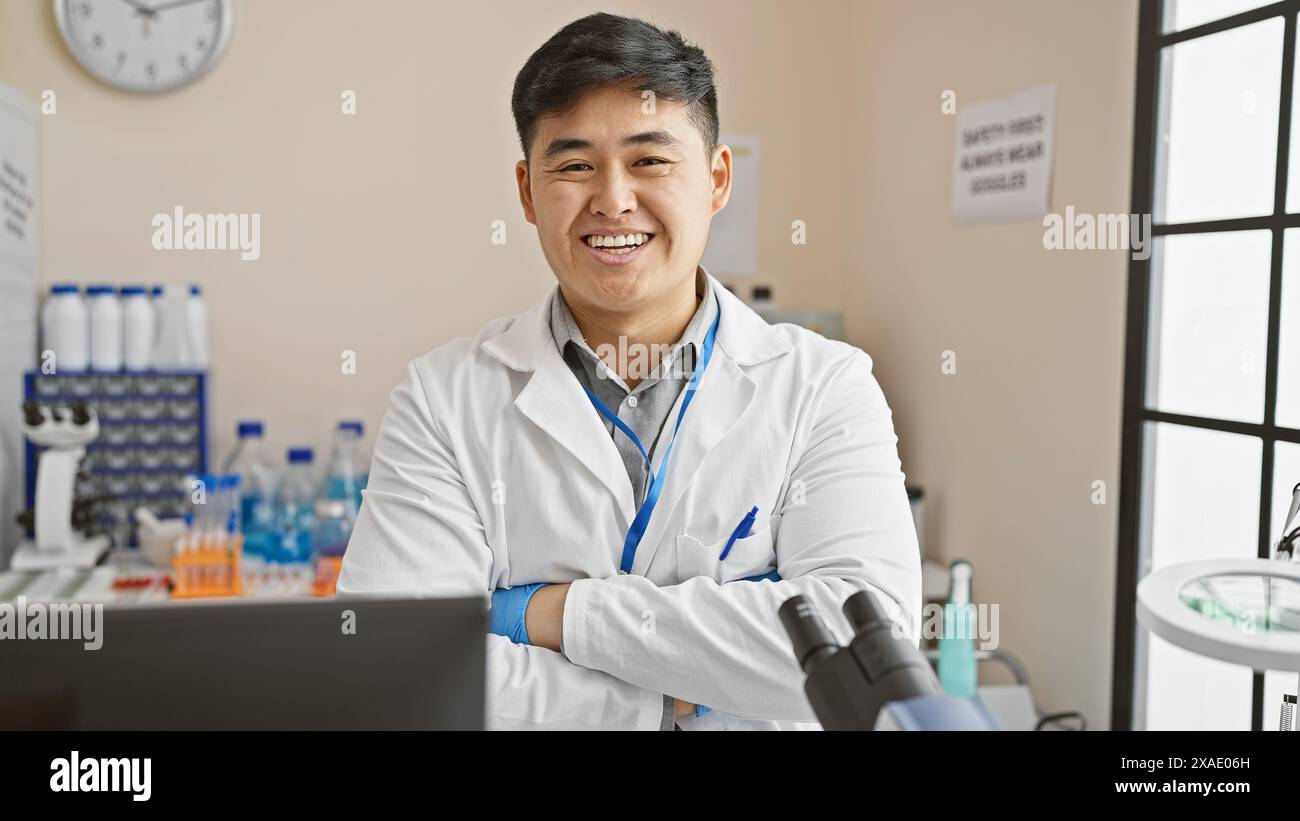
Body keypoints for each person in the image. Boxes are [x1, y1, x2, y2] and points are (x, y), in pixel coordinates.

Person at [338, 12, 920, 730]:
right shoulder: (444, 399)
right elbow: (398, 680)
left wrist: (547, 613)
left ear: (716, 179)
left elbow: (866, 655)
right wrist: (671, 689)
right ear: (526, 191)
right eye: (575, 164)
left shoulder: (825, 387)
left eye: (649, 160)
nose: (613, 200)